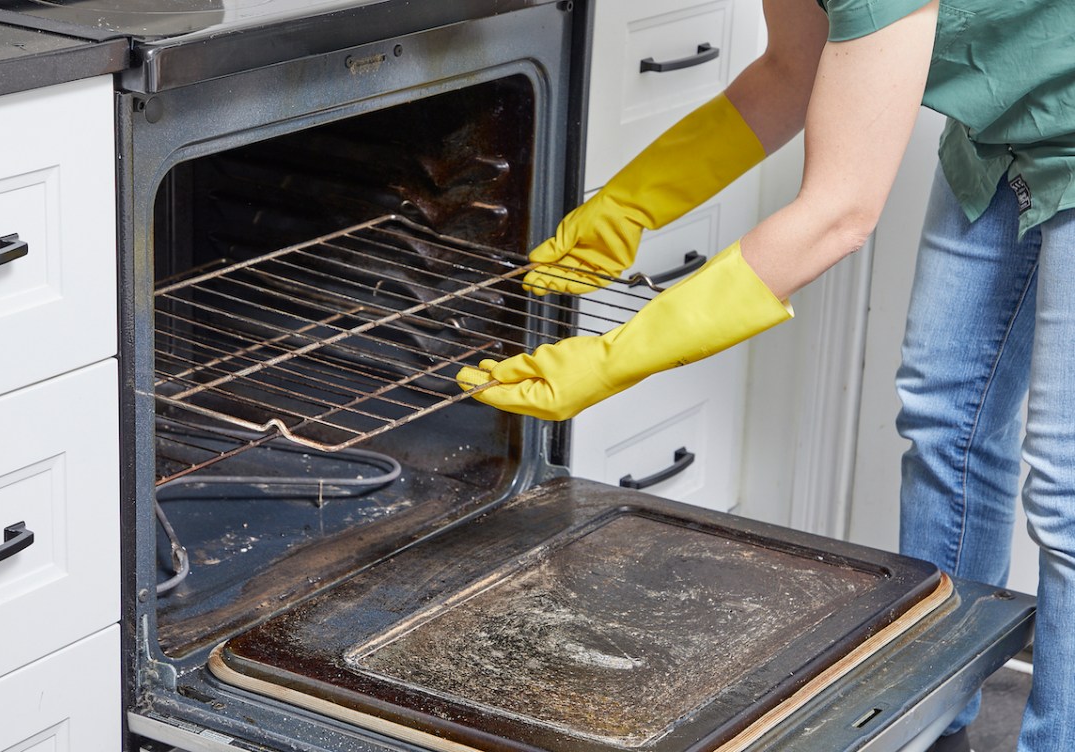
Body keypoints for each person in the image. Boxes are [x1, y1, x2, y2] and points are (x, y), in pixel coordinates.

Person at [456, 0, 1075, 750]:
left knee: (1065, 493)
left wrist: (621, 356)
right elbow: (790, 68)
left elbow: (841, 212)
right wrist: (636, 199)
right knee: (946, 421)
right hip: (1005, 133)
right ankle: (935, 726)